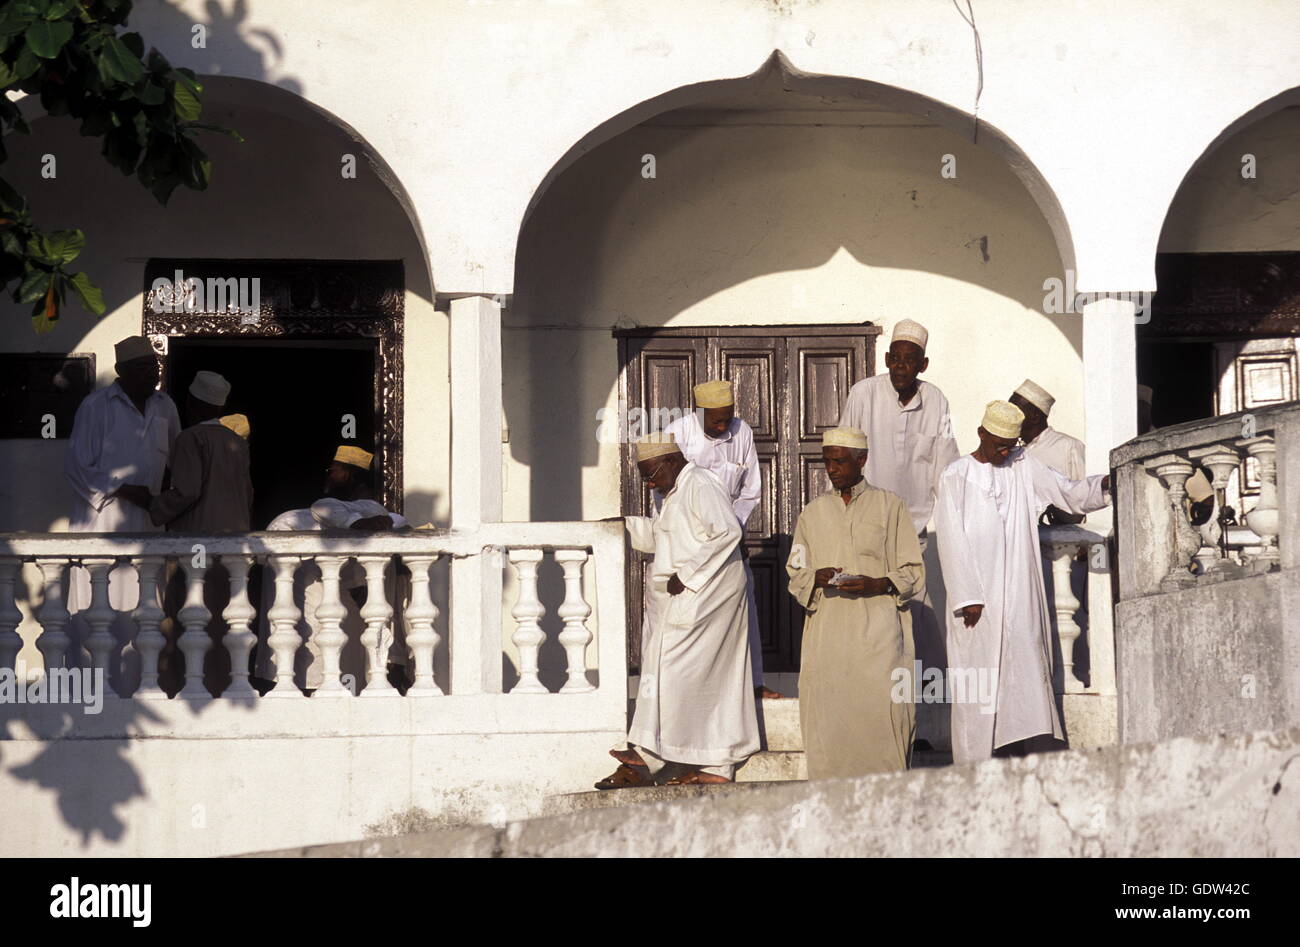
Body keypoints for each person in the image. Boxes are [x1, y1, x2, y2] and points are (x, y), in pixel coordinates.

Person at [934, 400, 1111, 764]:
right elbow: (951, 539)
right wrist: (967, 595)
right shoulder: (956, 475)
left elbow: (1069, 492)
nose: (1003, 451)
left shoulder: (1022, 465)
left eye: (1009, 445)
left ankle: (1020, 755)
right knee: (978, 686)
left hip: (1019, 593)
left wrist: (1104, 485)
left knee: (1024, 675)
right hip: (977, 601)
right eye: (997, 444)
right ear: (981, 433)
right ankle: (975, 770)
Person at [596, 433, 759, 788]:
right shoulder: (668, 493)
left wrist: (687, 575)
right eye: (645, 477)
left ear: (671, 461)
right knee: (670, 670)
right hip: (689, 597)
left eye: (652, 473)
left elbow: (728, 532)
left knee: (679, 669)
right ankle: (657, 755)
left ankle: (686, 760)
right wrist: (623, 526)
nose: (650, 482)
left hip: (711, 595)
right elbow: (663, 535)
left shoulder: (700, 482)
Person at [838, 318, 959, 745]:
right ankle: (868, 723)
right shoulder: (863, 394)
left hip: (914, 532)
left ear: (923, 364)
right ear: (887, 360)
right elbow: (844, 452)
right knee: (869, 625)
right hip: (867, 526)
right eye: (897, 359)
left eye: (912, 361)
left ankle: (920, 728)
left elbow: (946, 466)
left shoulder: (937, 401)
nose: (903, 367)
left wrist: (951, 524)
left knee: (917, 627)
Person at [787, 427, 925, 777]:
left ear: (861, 460)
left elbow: (912, 569)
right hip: (829, 635)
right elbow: (795, 571)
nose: (831, 469)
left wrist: (877, 583)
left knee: (881, 715)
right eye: (827, 462)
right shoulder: (812, 513)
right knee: (831, 722)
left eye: (839, 461)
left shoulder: (889, 506)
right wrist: (815, 577)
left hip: (878, 631)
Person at [63, 336, 181, 679]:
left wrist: (171, 501)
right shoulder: (96, 406)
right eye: (144, 369)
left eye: (155, 367)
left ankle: (137, 691)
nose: (153, 376)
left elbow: (179, 460)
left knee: (144, 612)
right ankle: (91, 692)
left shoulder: (165, 406)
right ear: (121, 371)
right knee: (97, 610)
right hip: (102, 523)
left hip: (147, 526)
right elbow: (76, 466)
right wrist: (125, 489)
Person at [253, 446, 410, 692]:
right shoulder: (324, 515)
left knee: (307, 669)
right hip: (300, 603)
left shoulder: (364, 514)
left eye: (333, 471)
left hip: (319, 625)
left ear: (350, 476)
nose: (327, 477)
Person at [663, 379, 783, 698]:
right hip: (689, 539)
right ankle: (692, 689)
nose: (723, 425)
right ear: (697, 412)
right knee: (693, 611)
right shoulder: (676, 433)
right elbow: (665, 494)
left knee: (744, 607)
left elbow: (751, 490)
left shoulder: (741, 431)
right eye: (715, 419)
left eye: (727, 417)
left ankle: (753, 683)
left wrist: (735, 527)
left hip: (730, 535)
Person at [117, 371, 252, 532]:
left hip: (200, 538)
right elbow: (247, 493)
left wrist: (152, 503)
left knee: (198, 559)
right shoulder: (237, 441)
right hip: (236, 536)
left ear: (191, 402)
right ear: (221, 407)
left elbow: (188, 491)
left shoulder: (190, 438)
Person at [1009, 378, 1086, 526]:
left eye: (1015, 410)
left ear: (1034, 416)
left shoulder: (1069, 447)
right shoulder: (1012, 452)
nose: (1008, 415)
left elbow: (1085, 497)